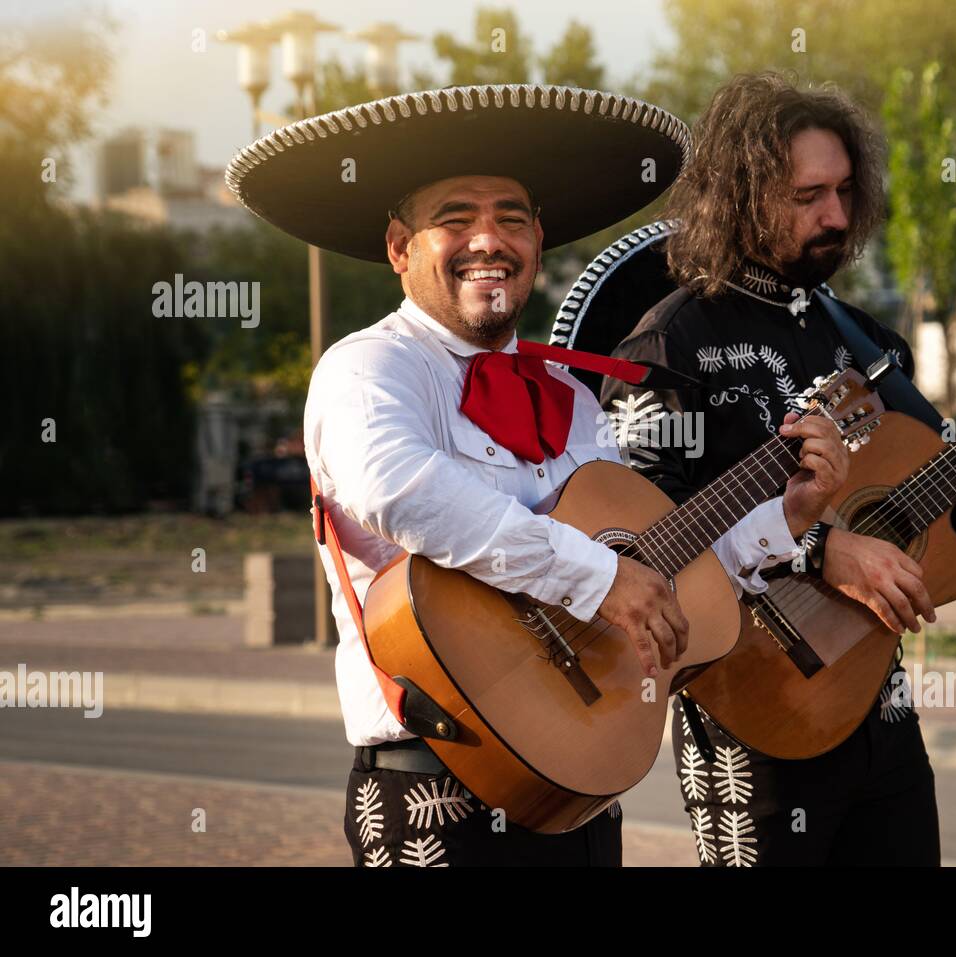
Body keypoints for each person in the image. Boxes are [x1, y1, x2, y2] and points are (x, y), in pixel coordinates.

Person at [224, 82, 848, 866]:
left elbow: (650, 565)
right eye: (455, 218)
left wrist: (782, 519)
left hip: (579, 790)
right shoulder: (370, 367)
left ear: (537, 242)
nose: (489, 239)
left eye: (511, 219)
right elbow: (397, 486)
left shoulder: (572, 400)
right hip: (435, 787)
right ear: (398, 248)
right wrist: (593, 575)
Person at [599, 73, 956, 866]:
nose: (838, 217)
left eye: (846, 191)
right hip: (752, 710)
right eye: (808, 195)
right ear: (740, 196)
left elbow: (940, 522)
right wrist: (820, 551)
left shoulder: (872, 342)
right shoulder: (671, 346)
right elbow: (638, 545)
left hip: (882, 710)